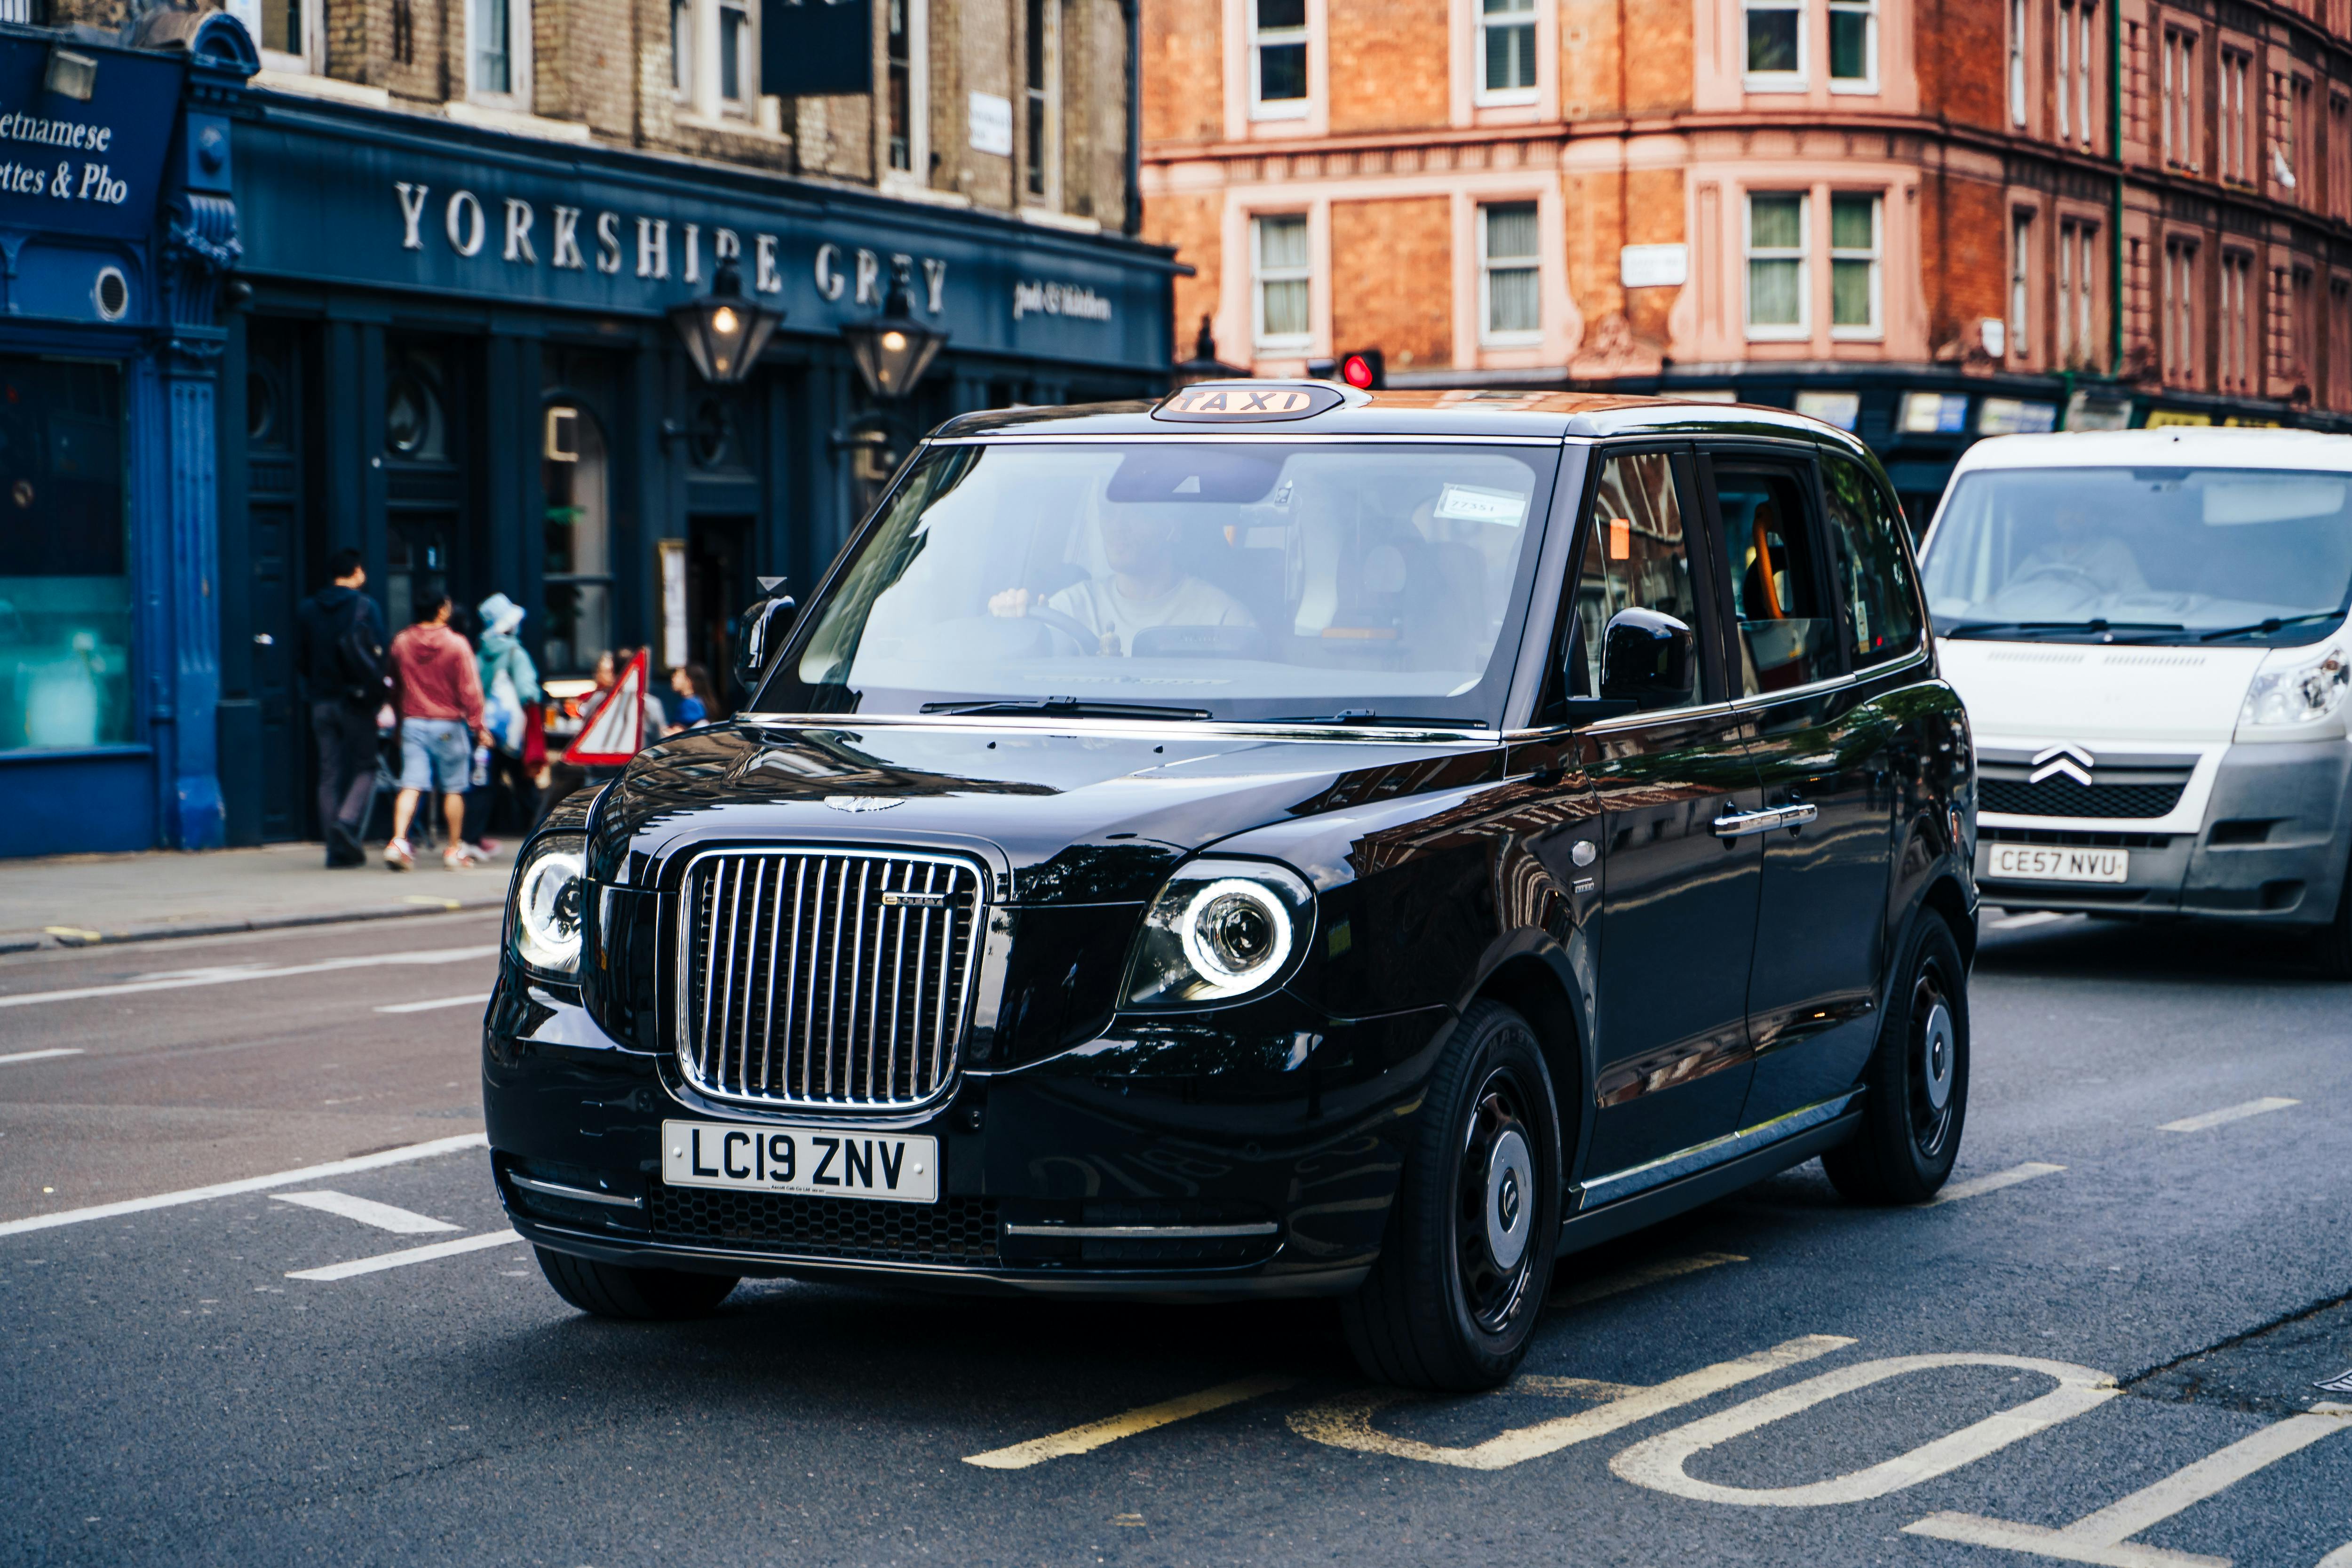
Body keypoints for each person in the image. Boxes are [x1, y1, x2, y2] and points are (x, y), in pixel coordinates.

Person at [988, 508, 1251, 655]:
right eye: (1108, 512)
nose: (1117, 526)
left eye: (1135, 512)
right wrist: (1009, 624)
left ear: (1173, 529)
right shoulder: (1069, 606)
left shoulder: (1224, 618)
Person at [294, 548, 389, 868]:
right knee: (367, 766)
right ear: (356, 571)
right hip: (355, 700)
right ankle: (345, 824)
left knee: (328, 773)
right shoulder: (365, 606)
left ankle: (334, 848)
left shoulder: (308, 609)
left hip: (321, 700)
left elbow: (301, 659)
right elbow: (380, 655)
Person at [384, 581, 487, 871]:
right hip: (449, 725)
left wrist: (399, 720)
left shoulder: (401, 642)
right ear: (442, 611)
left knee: (411, 783)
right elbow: (470, 690)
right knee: (454, 787)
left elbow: (394, 686)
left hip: (414, 722)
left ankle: (398, 841)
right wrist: (480, 726)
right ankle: (454, 849)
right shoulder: (457, 644)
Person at [476, 592, 542, 838]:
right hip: (513, 730)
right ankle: (538, 829)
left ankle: (474, 835)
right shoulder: (516, 653)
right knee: (525, 784)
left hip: (488, 730)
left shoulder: (482, 653)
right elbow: (528, 693)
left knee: (486, 783)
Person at [668, 662, 718, 731]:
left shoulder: (690, 705)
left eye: (677, 676)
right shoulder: (698, 701)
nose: (673, 679)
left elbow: (679, 730)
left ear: (689, 681)